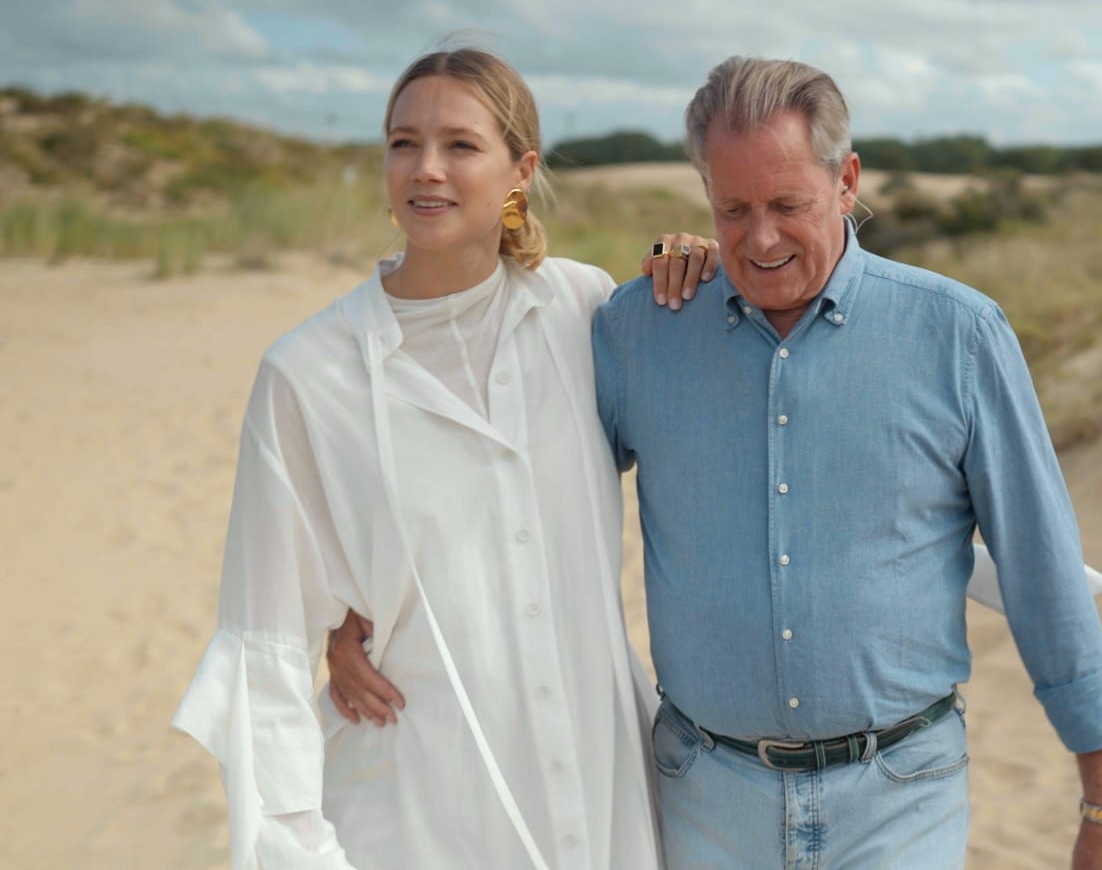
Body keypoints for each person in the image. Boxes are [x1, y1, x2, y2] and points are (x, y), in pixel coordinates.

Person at [171, 47, 716, 869]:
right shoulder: (308, 374)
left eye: (460, 145)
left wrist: (702, 268)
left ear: (519, 171)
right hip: (417, 805)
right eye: (402, 143)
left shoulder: (588, 311)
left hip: (604, 789)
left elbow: (726, 436)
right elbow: (266, 645)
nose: (425, 170)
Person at [592, 57, 1102, 867]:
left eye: (788, 204)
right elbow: (524, 502)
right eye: (732, 208)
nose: (761, 237)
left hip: (900, 796)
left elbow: (1042, 566)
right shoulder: (643, 328)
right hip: (700, 796)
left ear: (846, 181)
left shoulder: (959, 335)